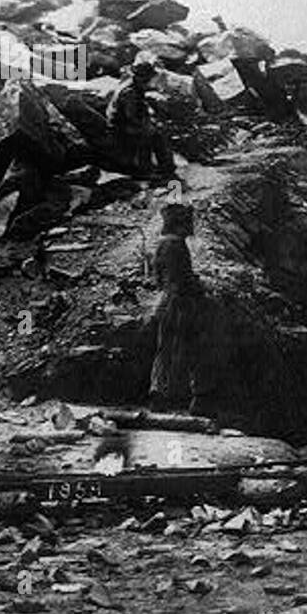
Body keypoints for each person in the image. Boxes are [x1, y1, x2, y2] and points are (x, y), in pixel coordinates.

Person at [149, 203, 204, 412]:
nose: (192, 226)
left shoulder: (162, 244)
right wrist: (199, 286)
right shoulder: (177, 245)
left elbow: (158, 278)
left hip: (164, 302)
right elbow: (184, 279)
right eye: (189, 222)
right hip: (178, 303)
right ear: (180, 224)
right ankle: (178, 396)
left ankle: (159, 393)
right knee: (182, 348)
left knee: (164, 349)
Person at [106, 52, 176, 177]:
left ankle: (163, 168)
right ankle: (148, 170)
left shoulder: (133, 84)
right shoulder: (130, 92)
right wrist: (150, 126)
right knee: (152, 135)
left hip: (124, 122)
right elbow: (132, 116)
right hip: (119, 127)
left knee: (154, 130)